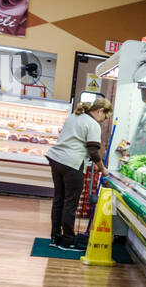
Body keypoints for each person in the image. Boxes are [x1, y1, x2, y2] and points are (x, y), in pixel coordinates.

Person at [44, 98, 111, 249]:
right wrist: (103, 169)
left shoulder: (75, 116)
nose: (104, 120)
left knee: (59, 199)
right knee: (70, 202)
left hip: (56, 159)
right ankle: (68, 240)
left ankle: (55, 237)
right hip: (72, 163)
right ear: (100, 111)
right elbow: (93, 151)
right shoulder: (93, 124)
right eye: (105, 117)